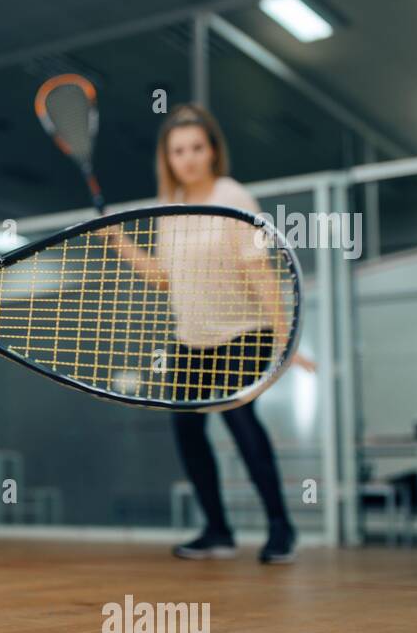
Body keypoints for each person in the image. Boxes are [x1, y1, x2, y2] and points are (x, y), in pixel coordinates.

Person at [119, 104, 307, 564]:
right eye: (178, 150)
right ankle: (217, 530)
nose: (188, 157)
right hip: (191, 337)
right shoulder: (169, 210)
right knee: (187, 428)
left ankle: (281, 528)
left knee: (241, 422)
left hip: (243, 330)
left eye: (196, 148)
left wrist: (286, 336)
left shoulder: (233, 195)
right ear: (167, 157)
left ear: (212, 151)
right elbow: (167, 277)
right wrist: (122, 246)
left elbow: (258, 269)